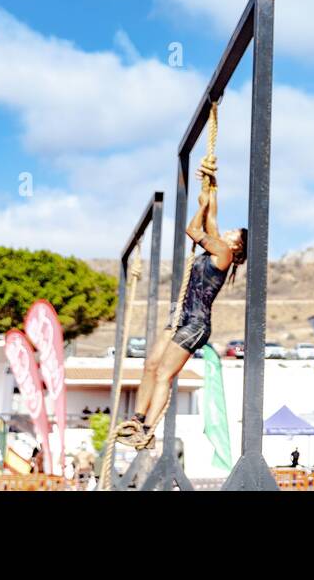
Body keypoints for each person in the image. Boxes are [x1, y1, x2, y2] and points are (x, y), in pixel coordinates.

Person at [115, 157, 246, 450]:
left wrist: (200, 207)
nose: (227, 231)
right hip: (179, 315)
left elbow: (194, 229)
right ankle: (137, 418)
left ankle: (147, 430)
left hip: (196, 323)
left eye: (234, 232)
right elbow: (212, 216)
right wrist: (211, 184)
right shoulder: (219, 247)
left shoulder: (223, 252)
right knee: (150, 365)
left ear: (237, 245)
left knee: (164, 373)